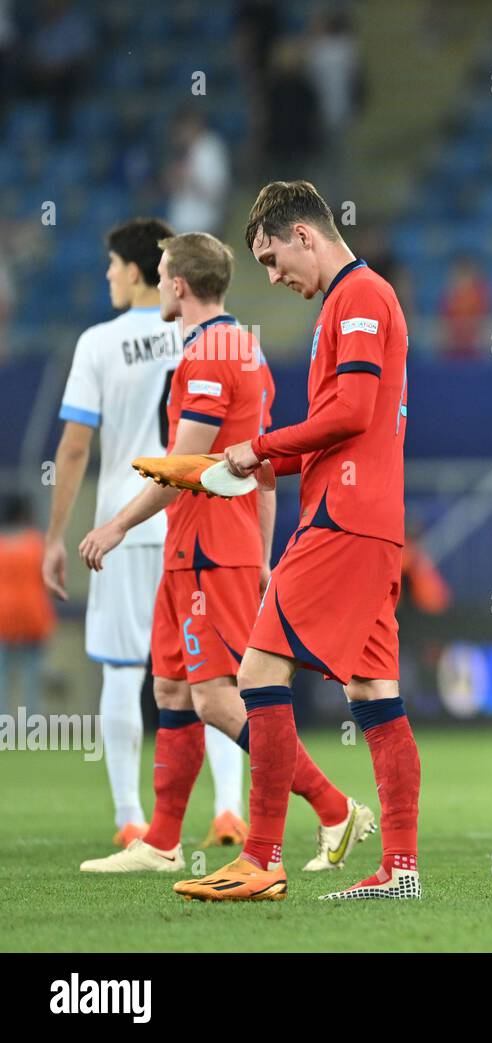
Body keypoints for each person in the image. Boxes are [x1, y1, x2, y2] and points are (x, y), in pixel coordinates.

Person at [76, 232, 371, 876]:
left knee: (216, 697)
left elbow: (185, 465)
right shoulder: (242, 347)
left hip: (210, 549)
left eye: (162, 274)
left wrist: (116, 525)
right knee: (173, 690)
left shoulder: (212, 353)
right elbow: (261, 468)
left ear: (179, 284)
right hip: (199, 546)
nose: (157, 283)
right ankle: (161, 842)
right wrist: (261, 553)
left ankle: (334, 808)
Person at [176, 180, 418, 901]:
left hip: (343, 519)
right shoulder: (350, 299)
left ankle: (261, 858)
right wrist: (258, 463)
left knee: (255, 674)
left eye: (272, 259)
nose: (274, 277)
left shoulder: (360, 296)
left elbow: (353, 411)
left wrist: (258, 446)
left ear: (304, 236)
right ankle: (400, 871)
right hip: (370, 519)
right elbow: (345, 426)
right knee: (375, 692)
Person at [42, 217, 246, 850]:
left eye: (112, 265)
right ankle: (228, 809)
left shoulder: (100, 343)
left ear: (138, 272)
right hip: (197, 523)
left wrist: (56, 536)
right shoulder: (213, 335)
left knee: (125, 671)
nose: (109, 275)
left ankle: (132, 817)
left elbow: (75, 447)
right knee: (213, 676)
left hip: (127, 524)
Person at [0, 495, 54, 714]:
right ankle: (32, 723)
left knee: (3, 675)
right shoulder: (37, 544)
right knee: (33, 675)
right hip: (33, 614)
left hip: (3, 616)